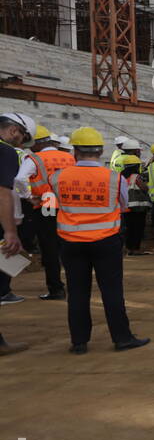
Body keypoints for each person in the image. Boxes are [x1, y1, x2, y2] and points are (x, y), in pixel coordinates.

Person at [50, 126, 149, 353]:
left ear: (75, 151)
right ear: (101, 150)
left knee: (77, 292)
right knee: (112, 290)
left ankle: (79, 342)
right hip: (106, 241)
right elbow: (123, 206)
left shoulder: (58, 176)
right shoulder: (114, 178)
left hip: (71, 242)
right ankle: (122, 338)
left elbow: (59, 203)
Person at [18, 124, 71, 300]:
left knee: (50, 246)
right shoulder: (69, 157)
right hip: (69, 206)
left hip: (47, 203)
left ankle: (56, 288)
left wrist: (28, 196)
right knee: (69, 244)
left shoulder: (34, 158)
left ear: (37, 143)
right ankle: (76, 284)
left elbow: (19, 179)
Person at [0, 112, 35, 350]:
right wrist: (10, 232)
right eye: (22, 136)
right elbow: (3, 193)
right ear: (13, 130)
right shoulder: (6, 152)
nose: (21, 142)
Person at [120, 155, 151, 254]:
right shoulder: (136, 176)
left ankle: (128, 248)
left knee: (128, 228)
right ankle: (135, 249)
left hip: (126, 206)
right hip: (138, 207)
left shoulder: (121, 176)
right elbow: (145, 188)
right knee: (138, 228)